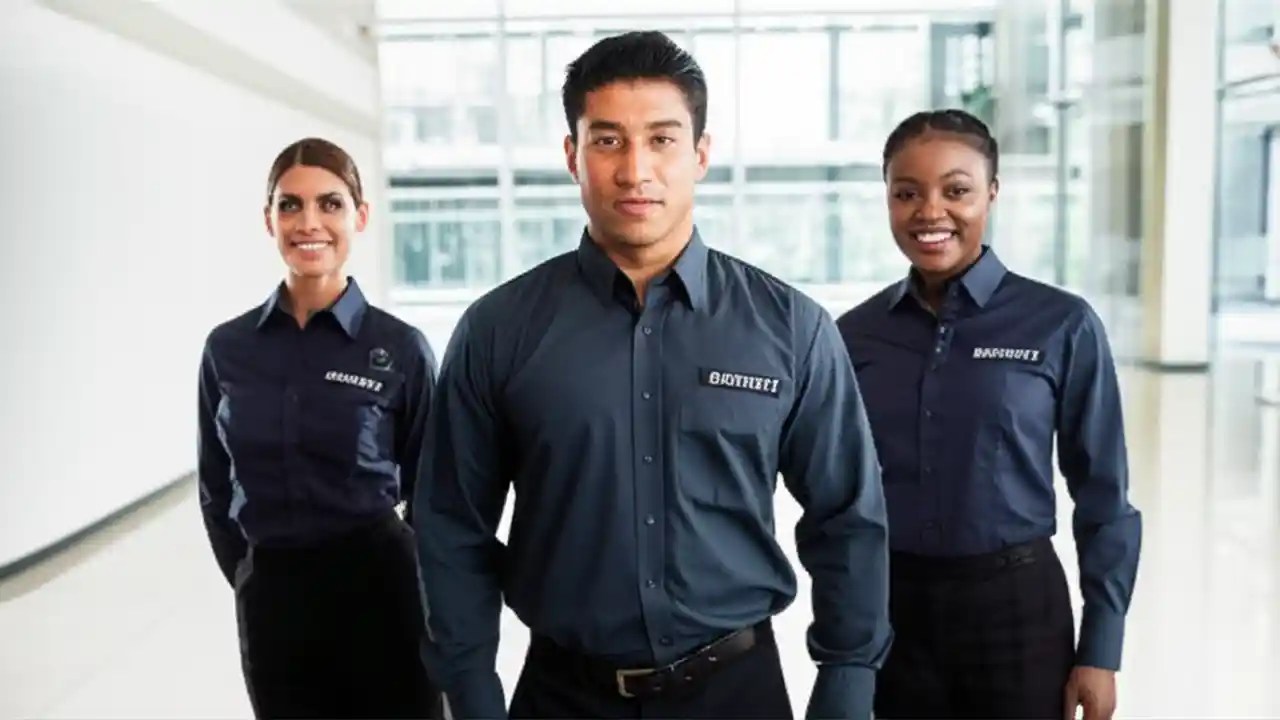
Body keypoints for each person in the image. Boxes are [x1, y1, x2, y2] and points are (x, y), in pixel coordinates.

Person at [414, 30, 891, 720]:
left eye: (662, 140)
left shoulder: (790, 327)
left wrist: (848, 678)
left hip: (739, 693)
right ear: (572, 155)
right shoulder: (499, 331)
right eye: (607, 141)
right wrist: (471, 688)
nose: (636, 170)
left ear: (700, 154)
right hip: (562, 696)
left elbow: (847, 515)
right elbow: (450, 522)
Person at [835, 109, 1142, 720]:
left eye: (956, 190)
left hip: (1018, 612)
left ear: (991, 193)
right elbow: (833, 496)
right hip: (893, 614)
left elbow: (1105, 497)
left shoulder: (1061, 323)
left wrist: (1101, 650)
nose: (930, 212)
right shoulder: (853, 336)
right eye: (906, 193)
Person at [196, 137, 441, 719]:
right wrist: (253, 574)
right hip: (274, 601)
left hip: (382, 591)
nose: (309, 222)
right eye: (290, 205)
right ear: (268, 219)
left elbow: (434, 488)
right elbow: (214, 485)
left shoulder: (399, 348)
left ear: (359, 216)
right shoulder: (227, 350)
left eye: (330, 204)